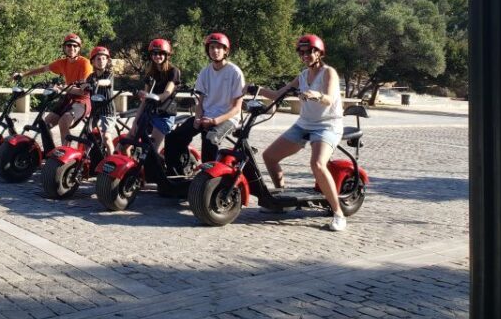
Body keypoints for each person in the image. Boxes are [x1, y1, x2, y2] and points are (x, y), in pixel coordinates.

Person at [256, 34, 347, 232]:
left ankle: (338, 213)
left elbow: (330, 99)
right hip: (304, 124)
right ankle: (281, 202)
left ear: (319, 53)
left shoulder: (328, 72)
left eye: (309, 51)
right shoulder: (303, 75)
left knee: (317, 164)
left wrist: (317, 95)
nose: (305, 55)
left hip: (327, 124)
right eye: (301, 52)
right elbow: (278, 94)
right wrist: (257, 89)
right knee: (269, 156)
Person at [164, 32, 245, 171]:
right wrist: (197, 117)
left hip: (228, 118)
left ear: (226, 50)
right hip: (205, 115)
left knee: (210, 138)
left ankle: (208, 179)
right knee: (173, 137)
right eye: (212, 47)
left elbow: (237, 108)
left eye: (219, 47)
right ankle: (177, 173)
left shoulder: (234, 72)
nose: (215, 51)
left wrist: (214, 121)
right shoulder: (205, 73)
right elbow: (200, 103)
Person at [12, 33, 93, 146]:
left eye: (75, 46)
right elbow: (43, 69)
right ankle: (50, 151)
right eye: (69, 45)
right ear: (64, 47)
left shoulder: (85, 63)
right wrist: (22, 74)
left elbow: (83, 91)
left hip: (82, 101)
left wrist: (62, 88)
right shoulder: (62, 63)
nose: (72, 48)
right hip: (68, 99)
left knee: (63, 122)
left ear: (79, 48)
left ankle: (66, 155)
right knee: (45, 124)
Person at [122, 39, 181, 153]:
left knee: (151, 151)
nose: (157, 56)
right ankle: (132, 169)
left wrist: (155, 97)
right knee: (125, 145)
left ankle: (157, 168)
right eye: (154, 53)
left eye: (160, 53)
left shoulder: (173, 71)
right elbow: (144, 101)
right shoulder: (150, 73)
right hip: (149, 113)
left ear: (166, 55)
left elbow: (167, 93)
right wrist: (135, 122)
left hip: (164, 114)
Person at [86, 45, 117, 155]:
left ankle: (111, 162)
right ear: (93, 61)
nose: (101, 61)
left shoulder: (109, 74)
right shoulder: (91, 76)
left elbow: (107, 82)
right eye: (98, 59)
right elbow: (85, 87)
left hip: (108, 111)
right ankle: (86, 159)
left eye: (104, 58)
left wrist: (97, 83)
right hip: (95, 111)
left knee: (107, 138)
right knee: (87, 133)